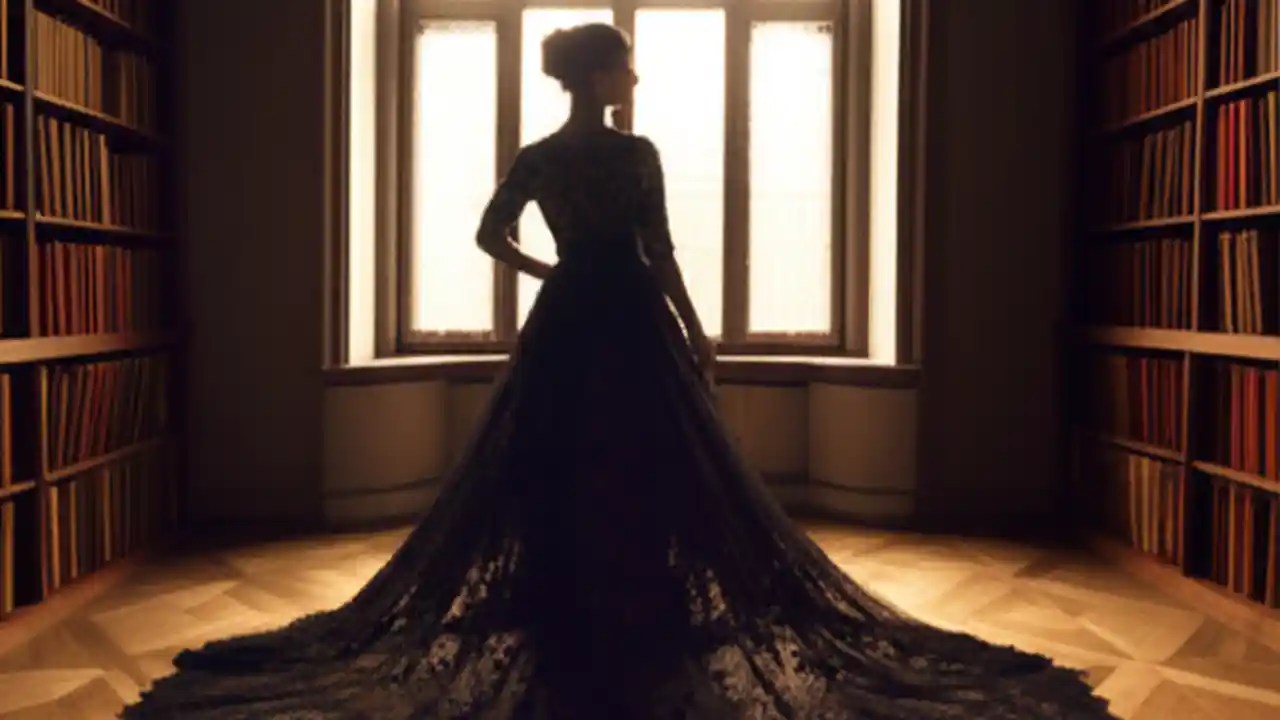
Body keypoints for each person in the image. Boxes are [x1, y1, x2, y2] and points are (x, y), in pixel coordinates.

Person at [122, 23, 1115, 719]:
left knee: (554, 460)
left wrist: (546, 273)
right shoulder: (636, 154)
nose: (633, 78)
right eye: (625, 66)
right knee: (647, 461)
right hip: (630, 316)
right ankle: (638, 606)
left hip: (569, 319)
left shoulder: (540, 156)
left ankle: (567, 604)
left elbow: (486, 233)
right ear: (600, 75)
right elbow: (661, 252)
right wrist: (698, 331)